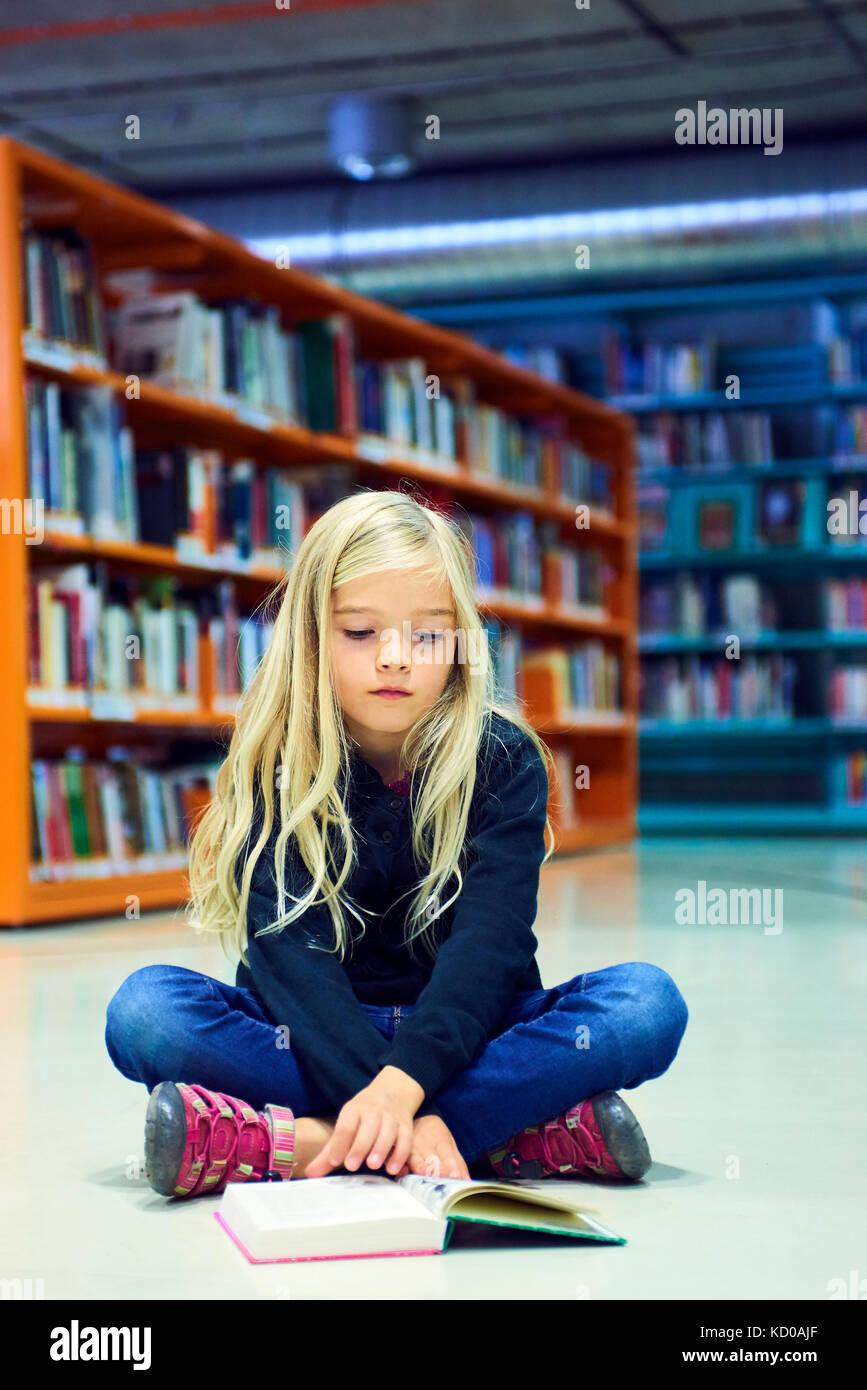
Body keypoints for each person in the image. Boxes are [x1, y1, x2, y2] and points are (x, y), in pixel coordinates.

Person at [105, 488, 688, 1200]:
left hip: (471, 1032)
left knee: (644, 1004)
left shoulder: (503, 760)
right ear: (312, 638)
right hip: (307, 1032)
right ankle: (494, 1135)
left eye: (427, 635)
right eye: (359, 632)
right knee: (146, 1013)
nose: (394, 659)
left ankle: (295, 1143)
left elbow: (489, 949)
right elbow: (290, 958)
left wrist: (403, 1086)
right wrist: (384, 1097)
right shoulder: (276, 761)